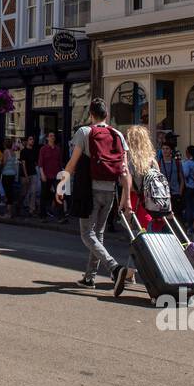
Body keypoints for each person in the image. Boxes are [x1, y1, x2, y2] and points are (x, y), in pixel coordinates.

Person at [59, 98, 132, 295]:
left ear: (91, 114)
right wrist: (127, 198)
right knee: (98, 234)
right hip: (110, 191)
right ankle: (90, 278)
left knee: (86, 234)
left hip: (90, 190)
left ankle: (114, 268)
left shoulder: (85, 132)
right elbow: (124, 171)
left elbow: (72, 164)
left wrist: (61, 186)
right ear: (106, 115)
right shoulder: (117, 135)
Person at [38, 132, 64, 222]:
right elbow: (40, 163)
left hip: (56, 175)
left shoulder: (58, 149)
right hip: (46, 175)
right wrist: (42, 174)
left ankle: (61, 217)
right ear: (47, 138)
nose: (53, 137)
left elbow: (60, 163)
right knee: (43, 195)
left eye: (53, 136)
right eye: (50, 136)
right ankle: (42, 216)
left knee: (59, 195)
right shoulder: (43, 149)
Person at [0, 141, 20, 219]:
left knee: (7, 193)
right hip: (12, 174)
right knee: (10, 192)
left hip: (6, 174)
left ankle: (8, 213)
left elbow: (4, 162)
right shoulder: (13, 153)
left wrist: (1, 166)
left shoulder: (6, 151)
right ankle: (10, 211)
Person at [20, 135, 39, 217]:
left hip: (33, 173)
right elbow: (23, 164)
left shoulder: (34, 151)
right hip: (25, 175)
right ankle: (19, 205)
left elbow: (35, 162)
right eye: (30, 139)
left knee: (33, 192)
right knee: (24, 192)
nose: (32, 141)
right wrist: (26, 175)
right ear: (27, 141)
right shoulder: (23, 151)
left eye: (33, 139)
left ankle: (32, 209)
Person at [181, 144, 194, 227]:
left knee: (189, 206)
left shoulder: (188, 163)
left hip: (189, 187)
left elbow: (185, 174)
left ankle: (189, 223)